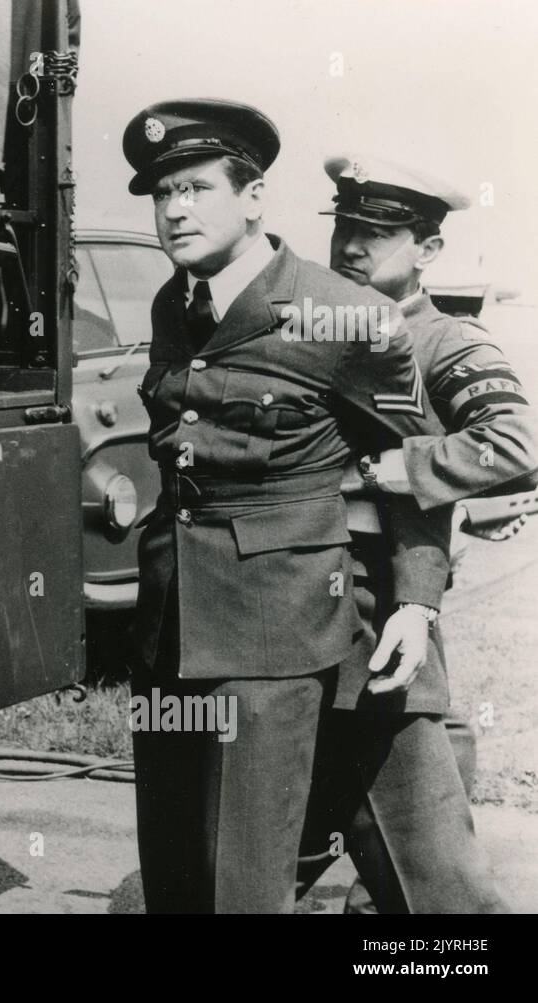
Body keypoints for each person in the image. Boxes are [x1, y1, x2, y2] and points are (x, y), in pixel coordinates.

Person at [123, 99, 452, 913]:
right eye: (162, 195)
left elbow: (415, 464)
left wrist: (415, 601)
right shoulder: (177, 303)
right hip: (173, 626)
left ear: (255, 195)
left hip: (276, 634)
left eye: (197, 188)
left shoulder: (345, 313)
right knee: (175, 869)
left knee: (244, 876)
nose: (175, 211)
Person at [296, 154, 536, 913]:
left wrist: (395, 467)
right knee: (274, 847)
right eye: (345, 230)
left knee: (434, 877)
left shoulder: (446, 344)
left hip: (376, 618)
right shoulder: (310, 329)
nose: (352, 249)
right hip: (279, 616)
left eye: (378, 233)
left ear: (427, 249)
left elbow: (517, 442)